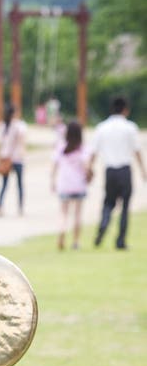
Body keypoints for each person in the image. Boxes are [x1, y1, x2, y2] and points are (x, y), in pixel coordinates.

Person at [89, 96, 147, 250]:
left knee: (108, 202)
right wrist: (143, 170)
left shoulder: (102, 127)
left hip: (110, 171)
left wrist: (90, 168)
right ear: (125, 110)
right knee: (125, 207)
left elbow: (93, 152)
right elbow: (137, 151)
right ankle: (120, 241)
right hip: (124, 170)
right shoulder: (130, 127)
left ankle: (104, 223)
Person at [51, 120, 91, 250]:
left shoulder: (61, 147)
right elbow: (86, 167)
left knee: (63, 213)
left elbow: (54, 166)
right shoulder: (83, 149)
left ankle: (62, 232)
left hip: (64, 184)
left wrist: (52, 181)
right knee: (77, 214)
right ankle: (76, 241)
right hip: (79, 185)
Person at [0, 103, 27, 217]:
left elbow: (0, 143)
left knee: (4, 184)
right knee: (19, 184)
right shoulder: (20, 126)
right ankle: (20, 208)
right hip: (17, 158)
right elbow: (22, 142)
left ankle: (0, 206)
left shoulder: (2, 126)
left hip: (5, 157)